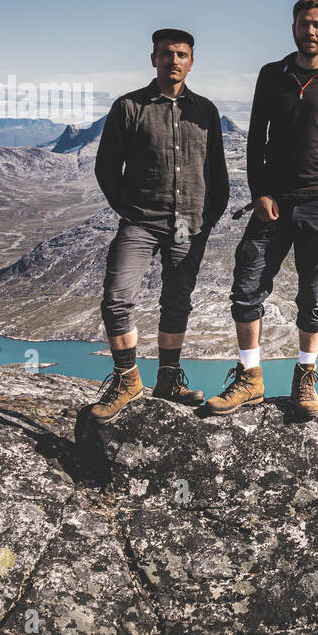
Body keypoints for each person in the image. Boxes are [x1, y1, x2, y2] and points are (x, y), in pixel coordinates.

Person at [205, 0, 318, 418]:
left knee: (313, 296)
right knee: (247, 287)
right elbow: (256, 138)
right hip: (272, 204)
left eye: (317, 25)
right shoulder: (271, 76)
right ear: (292, 28)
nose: (309, 30)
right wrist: (259, 193)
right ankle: (250, 377)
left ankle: (305, 379)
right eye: (302, 24)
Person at [89, 28, 230, 422]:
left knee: (177, 302)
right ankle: (127, 378)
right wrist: (130, 210)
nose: (174, 61)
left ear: (191, 61)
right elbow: (106, 167)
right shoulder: (129, 107)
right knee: (117, 298)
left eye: (181, 54)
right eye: (166, 54)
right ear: (153, 58)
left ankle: (168, 377)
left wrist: (206, 220)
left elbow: (217, 174)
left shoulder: (205, 111)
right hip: (141, 222)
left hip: (189, 225)